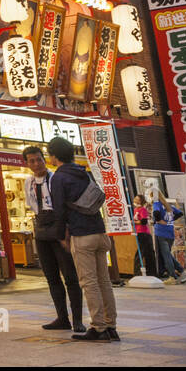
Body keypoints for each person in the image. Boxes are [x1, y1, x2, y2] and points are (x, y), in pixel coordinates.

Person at [46, 137, 118, 342]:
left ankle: (98, 327)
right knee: (104, 281)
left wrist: (61, 236)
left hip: (82, 235)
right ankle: (111, 325)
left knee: (89, 283)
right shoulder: (84, 173)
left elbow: (59, 210)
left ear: (54, 156)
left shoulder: (58, 178)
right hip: (100, 232)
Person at [22, 145, 84, 332]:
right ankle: (62, 317)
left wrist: (64, 230)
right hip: (41, 229)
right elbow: (31, 204)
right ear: (27, 163)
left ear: (45, 159)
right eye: (31, 161)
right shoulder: (28, 182)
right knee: (51, 277)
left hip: (59, 228)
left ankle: (78, 320)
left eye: (39, 159)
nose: (36, 163)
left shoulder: (55, 177)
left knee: (70, 276)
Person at [152, 194, 186, 283]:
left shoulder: (156, 203)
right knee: (167, 255)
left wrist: (158, 221)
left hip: (161, 232)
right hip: (170, 233)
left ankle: (172, 276)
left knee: (166, 256)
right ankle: (182, 272)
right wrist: (170, 220)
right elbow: (180, 213)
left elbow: (156, 213)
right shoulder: (168, 205)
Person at [132, 195, 157, 278]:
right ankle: (139, 273)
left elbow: (143, 221)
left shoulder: (143, 209)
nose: (135, 200)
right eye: (135, 198)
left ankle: (151, 272)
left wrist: (134, 222)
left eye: (137, 199)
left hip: (144, 233)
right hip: (138, 233)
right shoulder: (135, 209)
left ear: (141, 201)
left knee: (145, 253)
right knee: (142, 252)